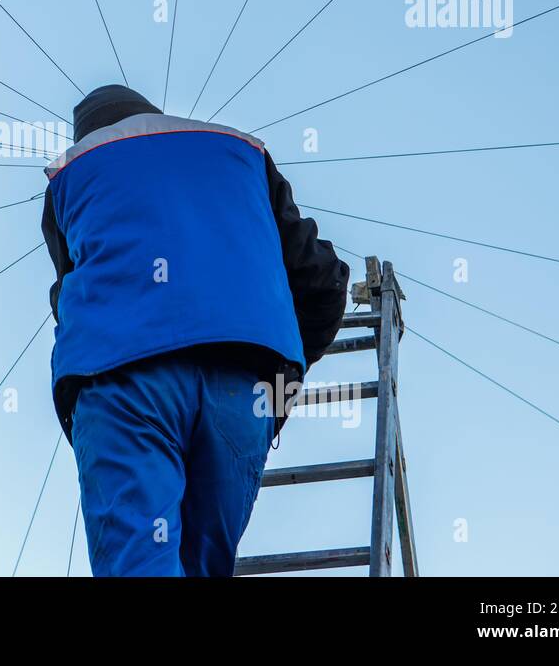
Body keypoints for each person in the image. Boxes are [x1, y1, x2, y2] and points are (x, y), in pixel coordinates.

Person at [41, 84, 349, 576]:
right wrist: (277, 377)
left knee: (139, 561)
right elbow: (323, 280)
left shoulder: (74, 172)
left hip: (123, 378)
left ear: (86, 134)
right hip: (244, 386)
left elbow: (70, 297)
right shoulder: (240, 150)